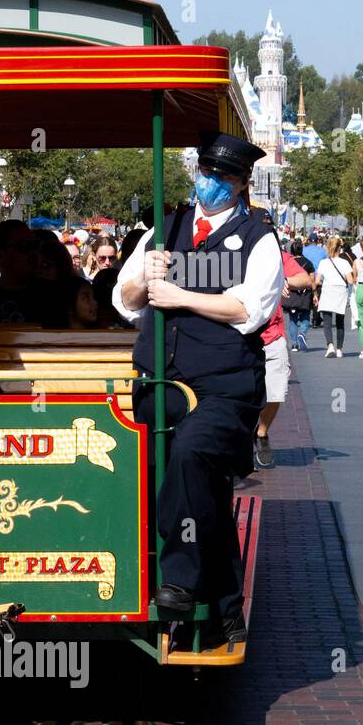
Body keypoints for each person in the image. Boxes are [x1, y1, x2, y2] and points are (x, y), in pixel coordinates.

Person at [112, 130, 283, 646]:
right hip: (160, 381)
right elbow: (125, 300)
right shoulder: (166, 228)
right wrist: (147, 279)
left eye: (223, 178)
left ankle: (180, 583)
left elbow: (249, 311)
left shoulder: (258, 238)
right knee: (179, 479)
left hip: (222, 391)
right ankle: (226, 600)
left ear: (240, 184)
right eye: (206, 174)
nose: (210, 184)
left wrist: (181, 295)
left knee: (188, 453)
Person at [253, 249, 312, 467]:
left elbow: (305, 279)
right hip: (239, 335)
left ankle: (261, 433)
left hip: (273, 334)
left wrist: (284, 279)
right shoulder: (233, 252)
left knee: (276, 391)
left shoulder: (276, 255)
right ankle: (243, 435)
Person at [314, 236, 353, 357]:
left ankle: (330, 345)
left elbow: (317, 280)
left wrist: (315, 293)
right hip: (341, 291)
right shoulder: (345, 262)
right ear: (339, 248)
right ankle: (340, 349)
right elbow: (350, 281)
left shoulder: (323, 263)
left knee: (327, 321)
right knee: (340, 321)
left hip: (327, 290)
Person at [281, 237, 315, 351]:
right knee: (305, 317)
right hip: (304, 296)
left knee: (292, 320)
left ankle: (294, 344)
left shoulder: (288, 262)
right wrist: (315, 294)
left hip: (291, 295)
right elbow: (311, 281)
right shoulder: (308, 263)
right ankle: (302, 333)